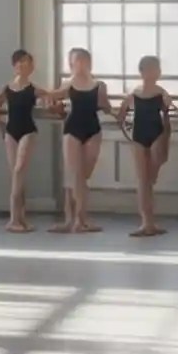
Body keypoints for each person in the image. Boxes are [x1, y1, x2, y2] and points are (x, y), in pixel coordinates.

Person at [41, 47, 109, 233]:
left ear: (89, 62)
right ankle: (75, 219)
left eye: (82, 60)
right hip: (72, 129)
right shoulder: (68, 84)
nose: (79, 64)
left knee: (83, 176)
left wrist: (116, 108)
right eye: (75, 61)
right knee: (75, 175)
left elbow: (106, 106)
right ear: (71, 64)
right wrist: (53, 105)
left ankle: (79, 219)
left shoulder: (99, 85)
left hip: (93, 130)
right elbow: (50, 97)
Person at [0, 50, 53, 232]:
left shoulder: (34, 89)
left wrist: (51, 104)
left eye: (26, 62)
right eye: (19, 62)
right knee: (17, 176)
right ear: (14, 66)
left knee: (19, 169)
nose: (22, 65)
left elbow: (51, 100)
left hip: (28, 131)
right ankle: (21, 219)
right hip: (10, 132)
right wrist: (0, 126)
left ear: (31, 67)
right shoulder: (7, 89)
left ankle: (14, 219)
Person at [115, 55, 174, 237]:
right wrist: (122, 119)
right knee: (143, 181)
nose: (155, 72)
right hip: (138, 135)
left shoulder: (161, 92)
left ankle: (150, 222)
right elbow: (121, 113)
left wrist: (166, 137)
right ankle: (147, 223)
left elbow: (167, 116)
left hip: (157, 133)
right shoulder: (134, 92)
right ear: (142, 72)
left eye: (156, 69)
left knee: (151, 176)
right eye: (151, 69)